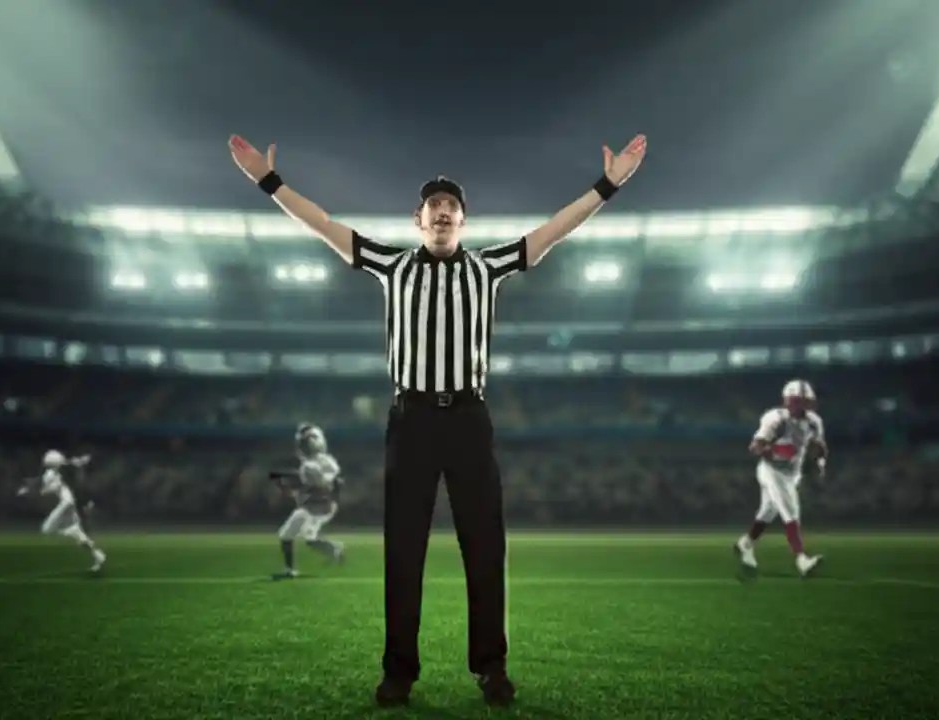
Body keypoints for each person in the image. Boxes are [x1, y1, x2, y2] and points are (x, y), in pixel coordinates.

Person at [228, 132, 647, 707]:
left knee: (485, 546)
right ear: (419, 220)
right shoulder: (392, 265)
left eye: (452, 205)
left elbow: (553, 229)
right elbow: (323, 224)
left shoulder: (487, 267)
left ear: (463, 221)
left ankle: (491, 667)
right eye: (434, 205)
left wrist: (609, 184)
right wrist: (267, 181)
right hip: (413, 419)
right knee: (403, 549)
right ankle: (399, 671)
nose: (443, 210)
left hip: (469, 418)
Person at [734, 379, 826, 578]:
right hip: (772, 470)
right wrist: (775, 450)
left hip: (793, 474)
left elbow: (820, 446)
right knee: (791, 512)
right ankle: (802, 560)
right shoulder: (775, 418)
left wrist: (820, 462)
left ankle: (746, 543)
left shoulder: (814, 421)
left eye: (805, 401)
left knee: (767, 512)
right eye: (798, 401)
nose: (802, 406)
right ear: (788, 401)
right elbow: (755, 446)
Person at [269, 422, 346, 579]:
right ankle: (290, 570)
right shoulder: (312, 464)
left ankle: (335, 548)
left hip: (321, 506)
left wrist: (287, 479)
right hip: (309, 506)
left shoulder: (324, 463)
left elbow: (322, 483)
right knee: (286, 535)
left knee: (310, 539)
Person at [17, 450, 106, 573]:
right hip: (69, 504)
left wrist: (27, 489)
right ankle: (97, 555)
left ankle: (74, 532)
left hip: (66, 504)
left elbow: (41, 483)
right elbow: (43, 481)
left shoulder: (51, 475)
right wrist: (79, 461)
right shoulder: (57, 473)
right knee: (76, 534)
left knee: (46, 529)